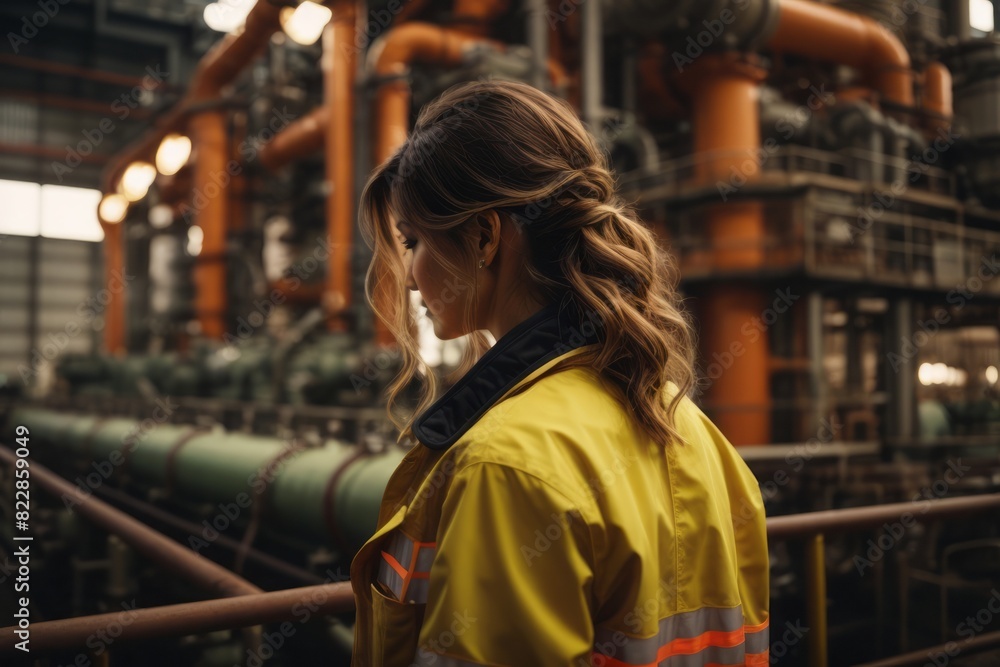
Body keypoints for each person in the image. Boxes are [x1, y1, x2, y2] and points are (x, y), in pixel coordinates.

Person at [351, 78, 769, 667]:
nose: (411, 277)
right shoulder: (696, 432)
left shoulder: (506, 465)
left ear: (483, 237)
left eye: (414, 241)